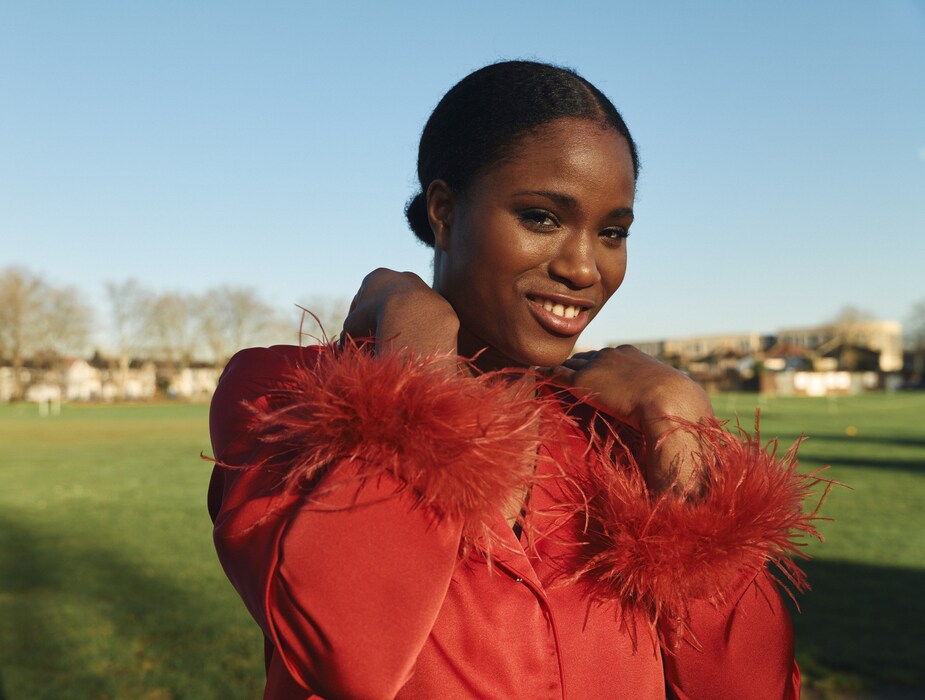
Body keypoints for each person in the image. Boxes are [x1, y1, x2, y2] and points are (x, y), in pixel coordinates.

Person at [208, 60, 824, 699]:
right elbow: (344, 653)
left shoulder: (618, 437)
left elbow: (749, 685)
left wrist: (681, 419)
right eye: (541, 217)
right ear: (443, 211)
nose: (585, 267)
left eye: (612, 232)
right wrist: (415, 363)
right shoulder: (283, 395)